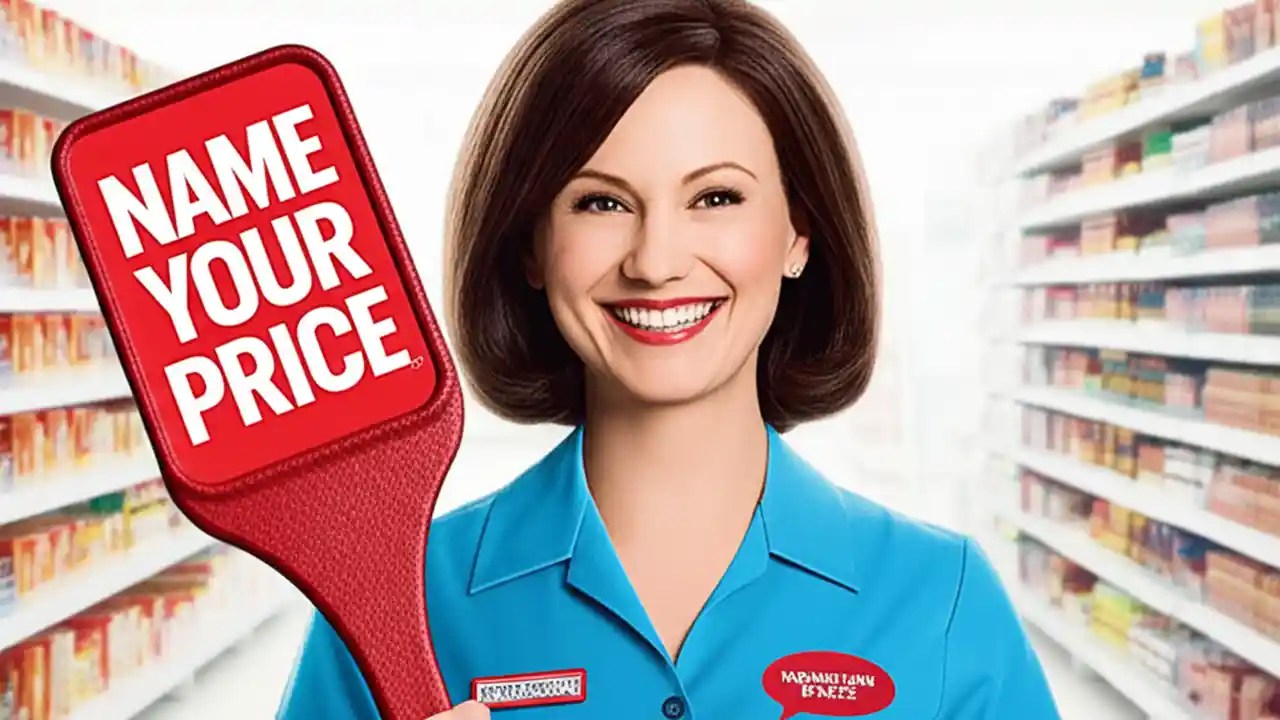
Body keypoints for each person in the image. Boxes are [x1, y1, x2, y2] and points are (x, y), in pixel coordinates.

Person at [277, 0, 1062, 718]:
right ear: (532, 247)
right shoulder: (396, 611)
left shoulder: (943, 601)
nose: (656, 262)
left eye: (716, 198)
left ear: (800, 233)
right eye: (601, 202)